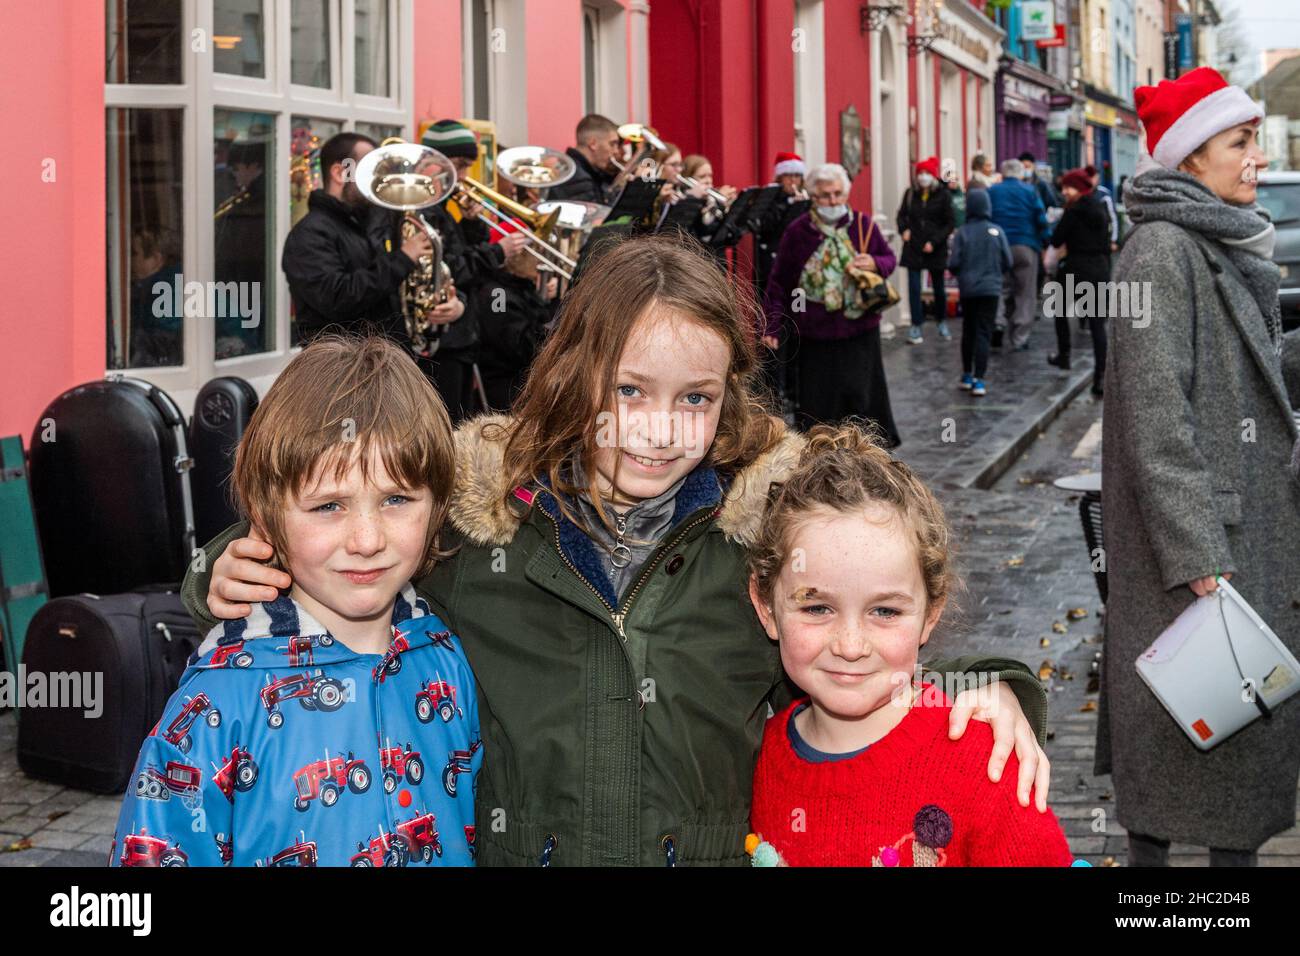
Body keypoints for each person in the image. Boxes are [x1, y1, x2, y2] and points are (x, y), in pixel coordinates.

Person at [182, 234, 1053, 867]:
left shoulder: (763, 533)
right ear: (573, 373)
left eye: (695, 398)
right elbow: (348, 530)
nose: (659, 431)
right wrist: (221, 564)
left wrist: (990, 687)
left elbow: (865, 621)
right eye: (629, 391)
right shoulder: (479, 517)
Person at [110, 336, 480, 867]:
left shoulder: (446, 660)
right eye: (329, 505)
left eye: (396, 499)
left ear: (437, 506)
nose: (367, 539)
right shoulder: (219, 700)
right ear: (264, 518)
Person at [1101, 66, 1300, 867]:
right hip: (1203, 557)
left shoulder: (1211, 242)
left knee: (1225, 769)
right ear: (1190, 160)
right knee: (1183, 755)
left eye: (1256, 140)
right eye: (1240, 142)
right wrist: (1199, 560)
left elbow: (1249, 368)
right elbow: (1155, 417)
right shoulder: (1159, 252)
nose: (1257, 157)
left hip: (1233, 538)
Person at [746, 425, 1073, 867]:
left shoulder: (986, 763)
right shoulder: (751, 762)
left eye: (885, 612)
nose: (850, 645)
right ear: (766, 606)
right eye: (817, 608)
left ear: (930, 613)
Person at [281, 132, 463, 347]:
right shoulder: (309, 234)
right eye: (371, 170)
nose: (380, 180)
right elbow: (337, 299)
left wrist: (453, 303)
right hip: (339, 368)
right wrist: (403, 258)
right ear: (341, 173)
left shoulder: (381, 219)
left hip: (391, 360)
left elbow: (417, 281)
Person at [766, 163, 902, 445]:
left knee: (862, 400)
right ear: (813, 197)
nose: (833, 202)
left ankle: (866, 456)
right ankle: (821, 456)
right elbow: (780, 282)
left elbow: (889, 259)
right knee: (819, 407)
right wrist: (772, 325)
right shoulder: (798, 232)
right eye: (825, 196)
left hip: (859, 330)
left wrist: (875, 262)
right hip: (815, 335)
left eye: (838, 194)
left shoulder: (863, 225)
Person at [411, 120, 526, 423]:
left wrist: (472, 223)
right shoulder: (423, 209)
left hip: (461, 339)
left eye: (466, 168)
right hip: (442, 346)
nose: (462, 177)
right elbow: (449, 268)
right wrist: (499, 252)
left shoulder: (441, 209)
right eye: (459, 166)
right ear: (436, 161)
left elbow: (460, 263)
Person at [471, 220, 559, 411]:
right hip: (507, 388)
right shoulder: (497, 294)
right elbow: (520, 347)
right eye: (530, 252)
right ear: (513, 257)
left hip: (524, 381)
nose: (538, 259)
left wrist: (548, 300)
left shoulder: (521, 287)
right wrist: (541, 304)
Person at [1046, 168, 1111, 397]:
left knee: (1061, 312)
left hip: (1075, 268)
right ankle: (1100, 377)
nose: (1064, 192)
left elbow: (1056, 239)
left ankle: (1064, 357)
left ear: (1079, 188)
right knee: (1097, 326)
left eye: (1068, 188)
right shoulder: (1101, 208)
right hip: (1100, 269)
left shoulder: (1073, 211)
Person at [948, 188, 1012, 398]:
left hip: (968, 289)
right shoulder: (997, 231)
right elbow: (1008, 261)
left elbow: (954, 262)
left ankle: (966, 374)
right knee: (985, 332)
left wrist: (963, 275)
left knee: (969, 331)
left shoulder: (962, 233)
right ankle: (980, 379)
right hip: (991, 289)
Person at [988, 158, 1048, 351]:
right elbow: (1041, 218)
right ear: (1021, 173)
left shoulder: (992, 191)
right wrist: (1047, 241)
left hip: (998, 245)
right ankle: (1020, 337)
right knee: (1025, 292)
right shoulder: (1030, 191)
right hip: (1025, 244)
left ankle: (997, 322)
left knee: (998, 287)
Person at [896, 157, 955, 343]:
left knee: (938, 288)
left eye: (926, 173)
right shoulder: (910, 194)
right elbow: (901, 215)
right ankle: (916, 325)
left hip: (935, 249)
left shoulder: (943, 195)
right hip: (913, 247)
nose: (922, 177)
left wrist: (935, 241)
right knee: (914, 288)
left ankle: (941, 320)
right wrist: (903, 229)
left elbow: (949, 223)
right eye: (920, 173)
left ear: (933, 175)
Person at [127, 227, 183, 368]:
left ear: (157, 259)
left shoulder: (163, 292)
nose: (129, 261)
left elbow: (163, 343)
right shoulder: (177, 280)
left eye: (133, 254)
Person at [545, 113, 621, 206]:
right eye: (612, 144)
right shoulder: (578, 178)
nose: (616, 151)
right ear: (593, 144)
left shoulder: (579, 169)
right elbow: (597, 218)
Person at [1084, 164, 1120, 251]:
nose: (1092, 180)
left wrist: (1113, 240)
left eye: (1095, 177)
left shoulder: (1104, 194)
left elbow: (1113, 217)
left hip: (1102, 240)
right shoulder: (1080, 194)